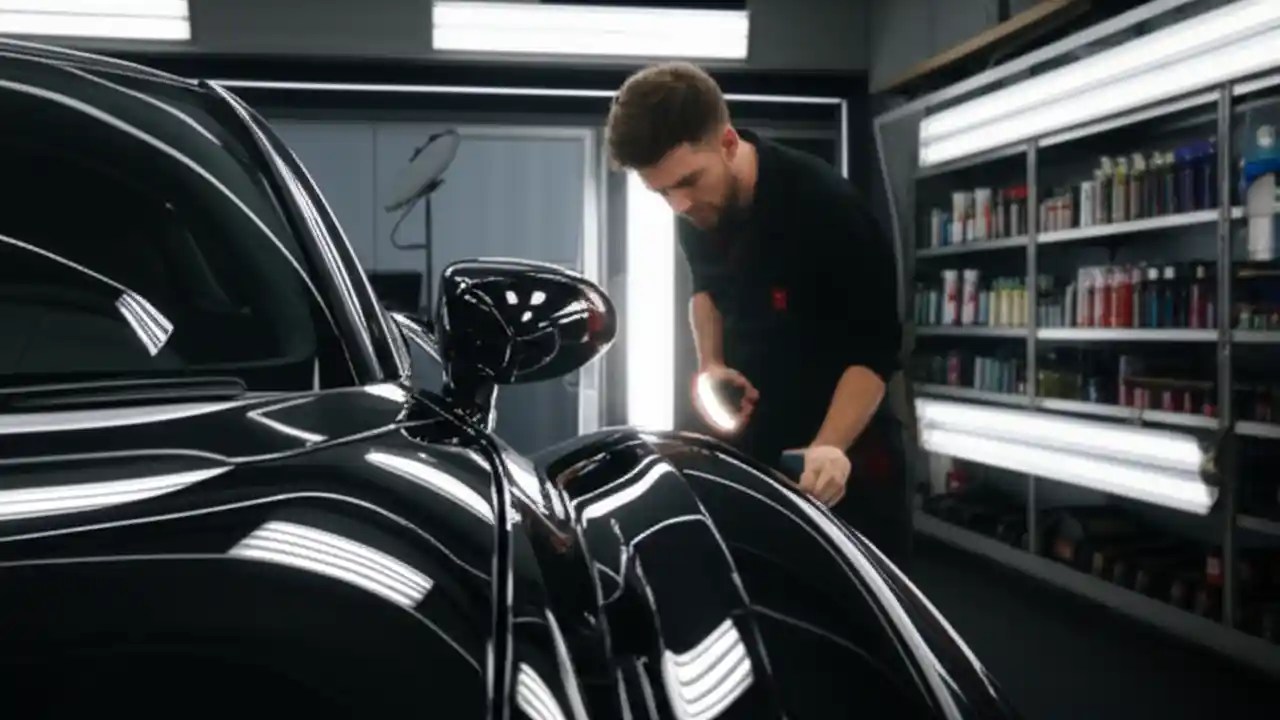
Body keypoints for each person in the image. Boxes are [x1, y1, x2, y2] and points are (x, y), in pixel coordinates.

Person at [606, 62, 912, 567]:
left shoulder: (827, 207)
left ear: (727, 143)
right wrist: (711, 363)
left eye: (687, 181)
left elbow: (874, 352)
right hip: (760, 445)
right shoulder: (695, 210)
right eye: (662, 192)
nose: (678, 205)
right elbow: (706, 290)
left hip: (844, 455)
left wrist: (828, 447)